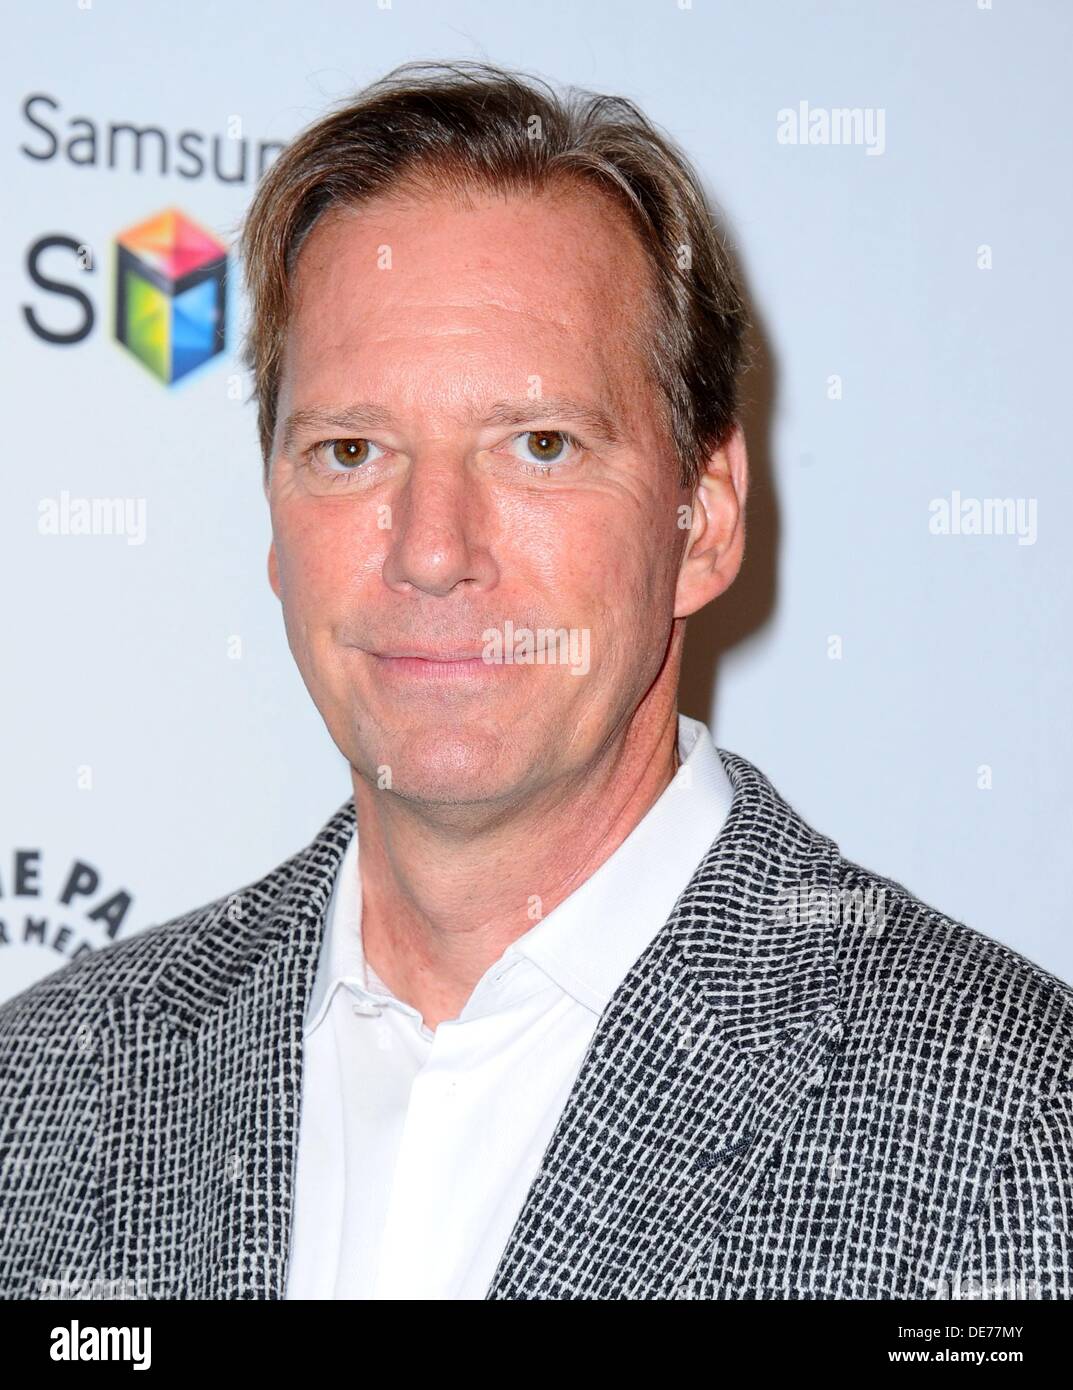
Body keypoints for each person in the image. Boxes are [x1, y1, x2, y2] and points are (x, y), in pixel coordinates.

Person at [2, 60, 1071, 1302]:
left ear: (704, 518)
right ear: (276, 524)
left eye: (540, 445)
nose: (432, 549)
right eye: (351, 451)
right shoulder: (46, 1093)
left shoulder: (1011, 1131)